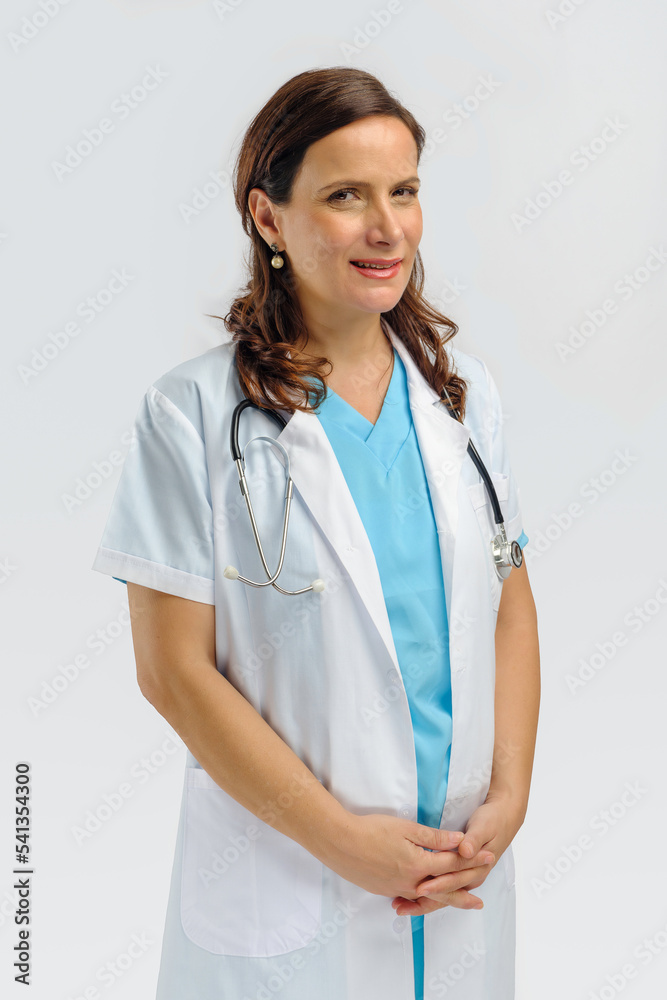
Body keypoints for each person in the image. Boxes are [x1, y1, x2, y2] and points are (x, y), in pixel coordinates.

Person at [92, 66, 540, 1000]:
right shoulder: (189, 414)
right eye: (346, 196)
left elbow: (507, 603)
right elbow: (173, 672)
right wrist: (343, 841)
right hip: (287, 885)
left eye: (404, 192)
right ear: (268, 218)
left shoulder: (463, 397)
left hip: (455, 871)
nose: (388, 230)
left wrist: (510, 797)